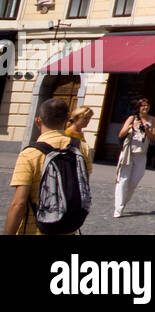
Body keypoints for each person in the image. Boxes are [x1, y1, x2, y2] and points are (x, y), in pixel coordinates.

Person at [4, 98, 92, 235]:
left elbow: (19, 204)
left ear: (38, 121)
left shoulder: (30, 153)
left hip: (35, 229)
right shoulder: (83, 148)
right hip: (68, 227)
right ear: (67, 119)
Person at [114, 97, 155, 218]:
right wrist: (131, 127)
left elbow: (153, 137)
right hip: (129, 153)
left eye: (147, 105)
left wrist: (147, 130)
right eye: (143, 105)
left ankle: (123, 202)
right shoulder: (132, 118)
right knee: (123, 180)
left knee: (133, 183)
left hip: (141, 155)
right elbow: (120, 134)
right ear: (138, 107)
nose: (146, 107)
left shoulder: (152, 119)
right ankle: (119, 208)